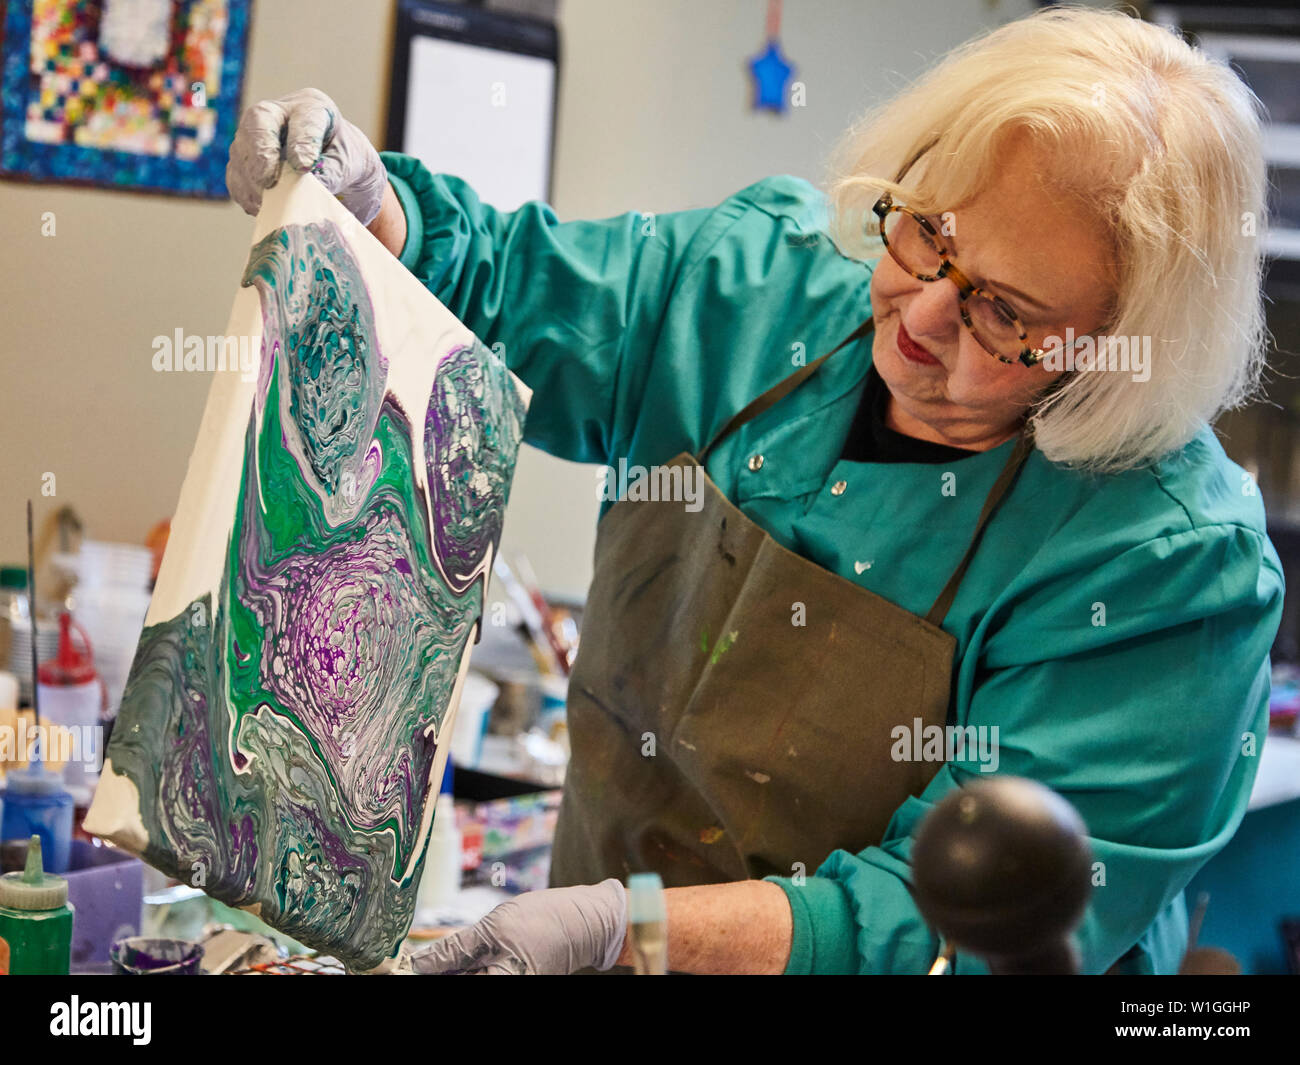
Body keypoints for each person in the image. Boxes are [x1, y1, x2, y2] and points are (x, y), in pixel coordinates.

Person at [226, 6, 1284, 974]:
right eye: (928, 233)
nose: (917, 322)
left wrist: (624, 932)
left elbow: (949, 932)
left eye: (1003, 313)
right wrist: (376, 209)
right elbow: (515, 293)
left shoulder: (1168, 566)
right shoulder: (764, 283)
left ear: (1119, 353)